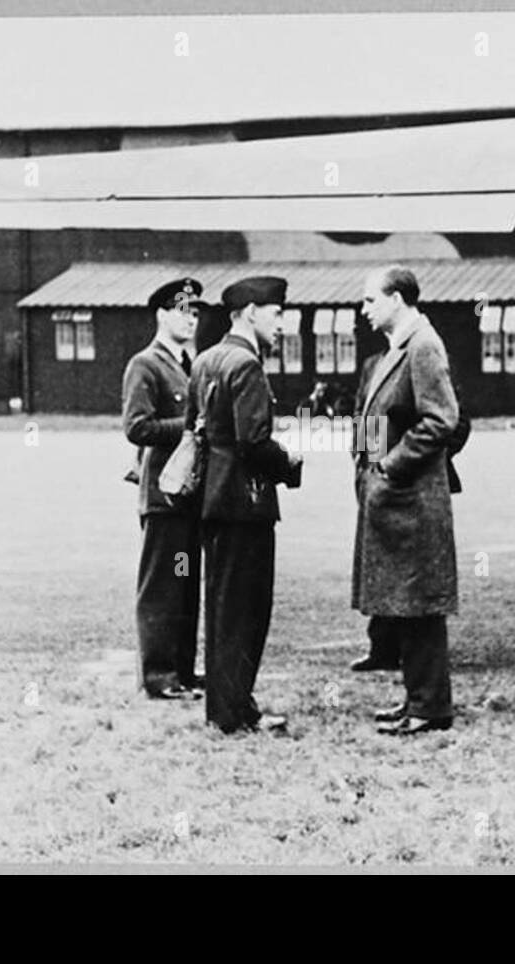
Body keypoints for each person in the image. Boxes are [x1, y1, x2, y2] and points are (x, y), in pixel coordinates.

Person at [185, 275, 303, 734]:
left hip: (212, 502)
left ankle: (225, 709)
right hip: (246, 504)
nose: (281, 323)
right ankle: (234, 712)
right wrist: (289, 463)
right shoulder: (247, 365)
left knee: (221, 608)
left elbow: (197, 430)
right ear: (251, 312)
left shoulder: (205, 360)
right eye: (277, 313)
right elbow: (253, 443)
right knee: (247, 611)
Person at [351, 266, 460, 735]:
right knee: (405, 603)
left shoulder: (423, 346)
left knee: (420, 605)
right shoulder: (398, 347)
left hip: (412, 500)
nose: (364, 309)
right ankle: (417, 699)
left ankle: (430, 707)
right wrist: (365, 470)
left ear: (397, 299)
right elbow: (375, 418)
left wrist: (389, 467)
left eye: (371, 300)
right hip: (392, 500)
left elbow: (441, 420)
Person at [122, 277, 206, 700]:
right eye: (182, 311)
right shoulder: (146, 365)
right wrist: (191, 426)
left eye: (195, 313)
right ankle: (159, 675)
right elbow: (137, 427)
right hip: (163, 497)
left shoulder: (189, 365)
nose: (191, 320)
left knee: (185, 583)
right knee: (163, 588)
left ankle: (182, 670)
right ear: (161, 315)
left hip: (187, 498)